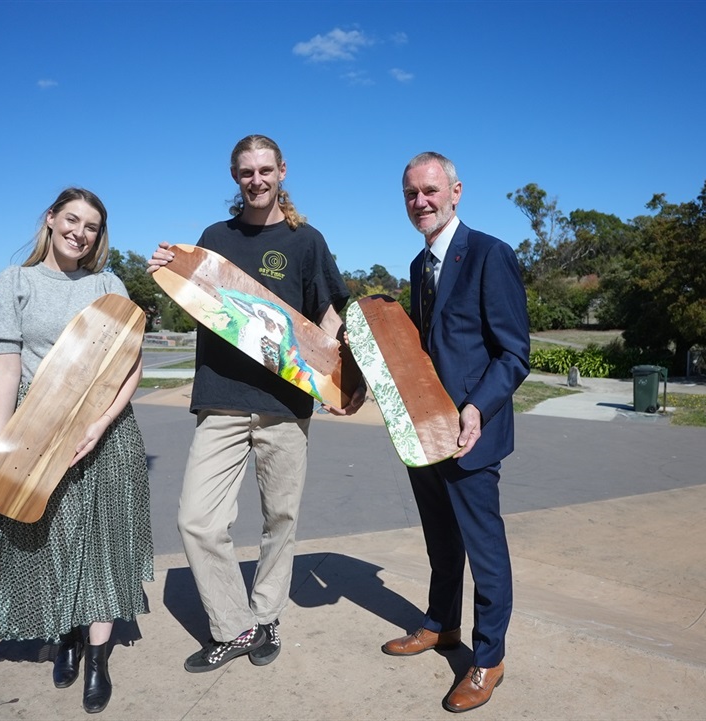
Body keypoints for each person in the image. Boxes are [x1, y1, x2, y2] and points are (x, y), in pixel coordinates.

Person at [147, 134, 362, 673]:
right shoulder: (213, 238)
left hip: (284, 404)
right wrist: (166, 274)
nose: (257, 180)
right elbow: (196, 297)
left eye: (266, 170)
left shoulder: (305, 240)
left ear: (282, 171)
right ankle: (234, 625)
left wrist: (335, 376)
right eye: (247, 172)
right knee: (197, 520)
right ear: (234, 176)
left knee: (279, 518)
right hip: (221, 399)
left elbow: (330, 313)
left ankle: (266, 618)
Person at [0, 188, 153, 715]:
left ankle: (98, 658)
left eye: (90, 226)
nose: (79, 233)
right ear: (51, 219)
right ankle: (65, 633)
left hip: (105, 436)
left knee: (102, 544)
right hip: (37, 435)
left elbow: (131, 368)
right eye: (71, 220)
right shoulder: (14, 282)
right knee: (49, 540)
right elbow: (5, 369)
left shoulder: (108, 284)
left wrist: (101, 424)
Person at [381, 152, 530, 713]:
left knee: (484, 552)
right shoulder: (420, 268)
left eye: (430, 190)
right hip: (426, 434)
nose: (421, 201)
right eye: (411, 193)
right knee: (441, 544)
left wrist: (477, 409)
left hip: (473, 435)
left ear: (456, 191)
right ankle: (440, 624)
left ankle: (488, 658)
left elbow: (514, 353)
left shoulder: (491, 255)